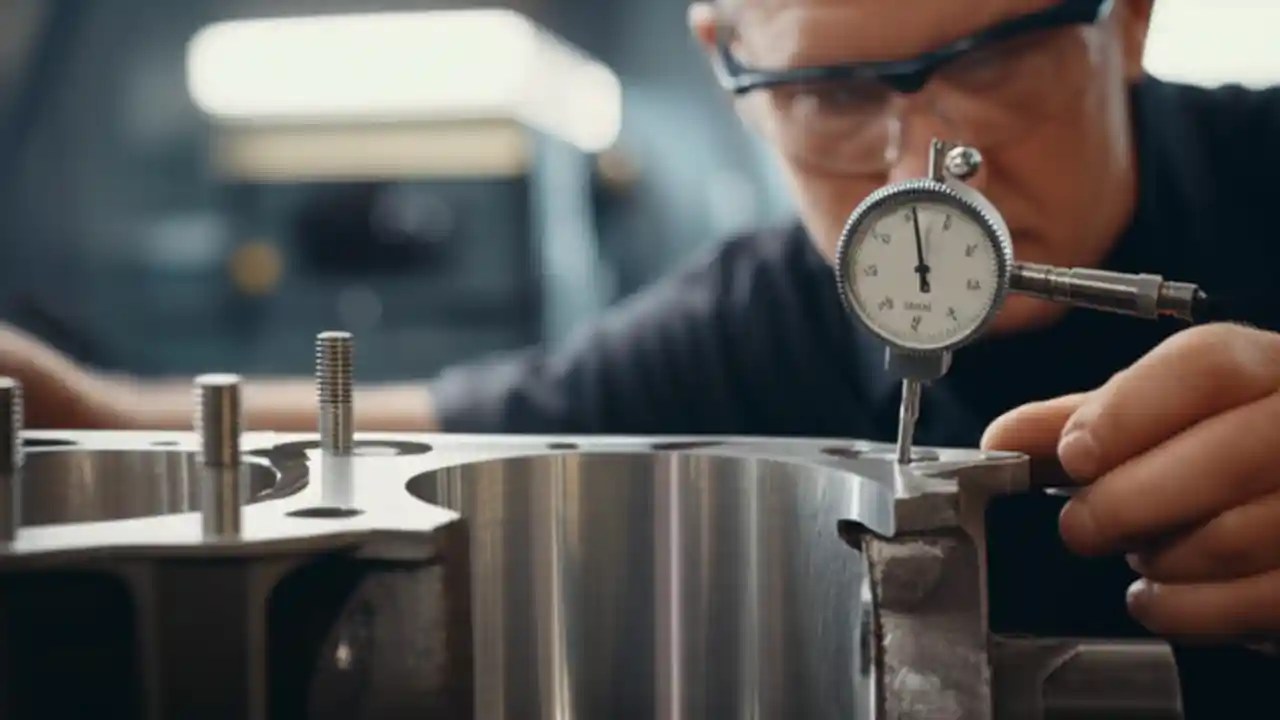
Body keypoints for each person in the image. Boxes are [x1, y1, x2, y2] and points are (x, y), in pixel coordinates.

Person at [1, 0, 1278, 703]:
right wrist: (62, 405)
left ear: (1127, 22)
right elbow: (395, 437)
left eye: (995, 61)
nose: (918, 176)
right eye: (830, 96)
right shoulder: (745, 320)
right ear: (725, 55)